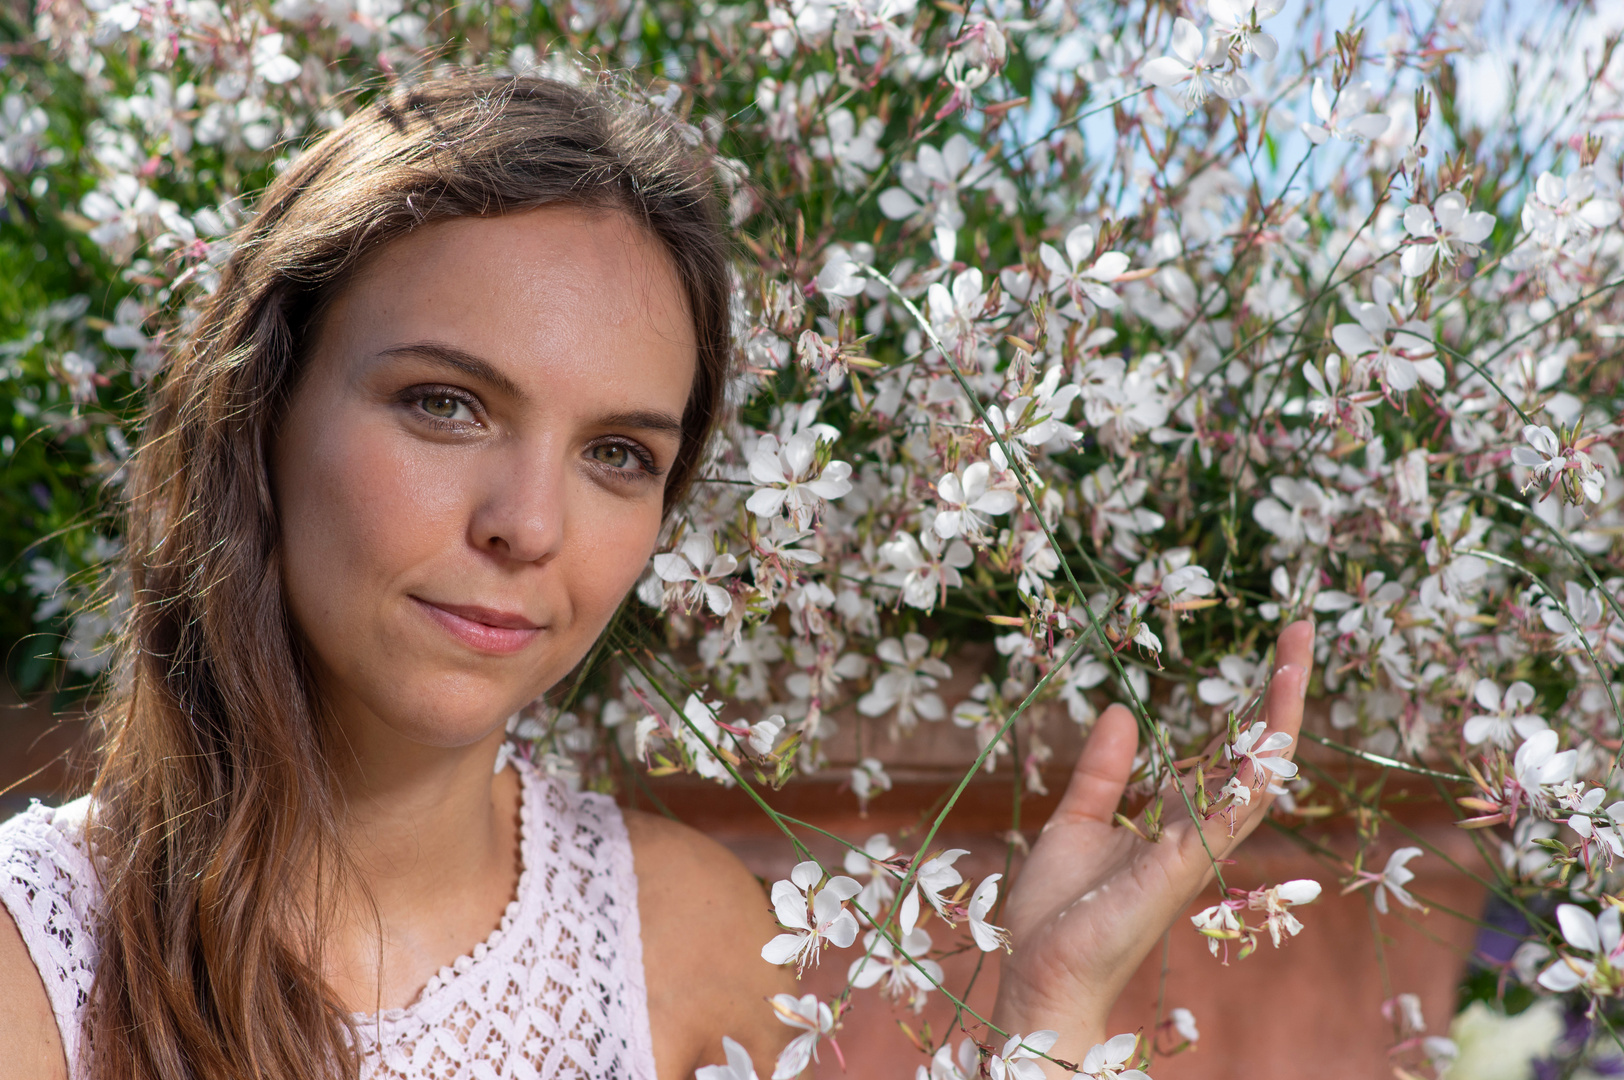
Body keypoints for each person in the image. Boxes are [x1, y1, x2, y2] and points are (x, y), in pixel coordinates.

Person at [0, 72, 1315, 1080]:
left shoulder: (691, 939)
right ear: (257, 412)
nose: (530, 526)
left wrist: (1045, 1018)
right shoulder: (35, 959)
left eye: (618, 455)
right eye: (446, 404)